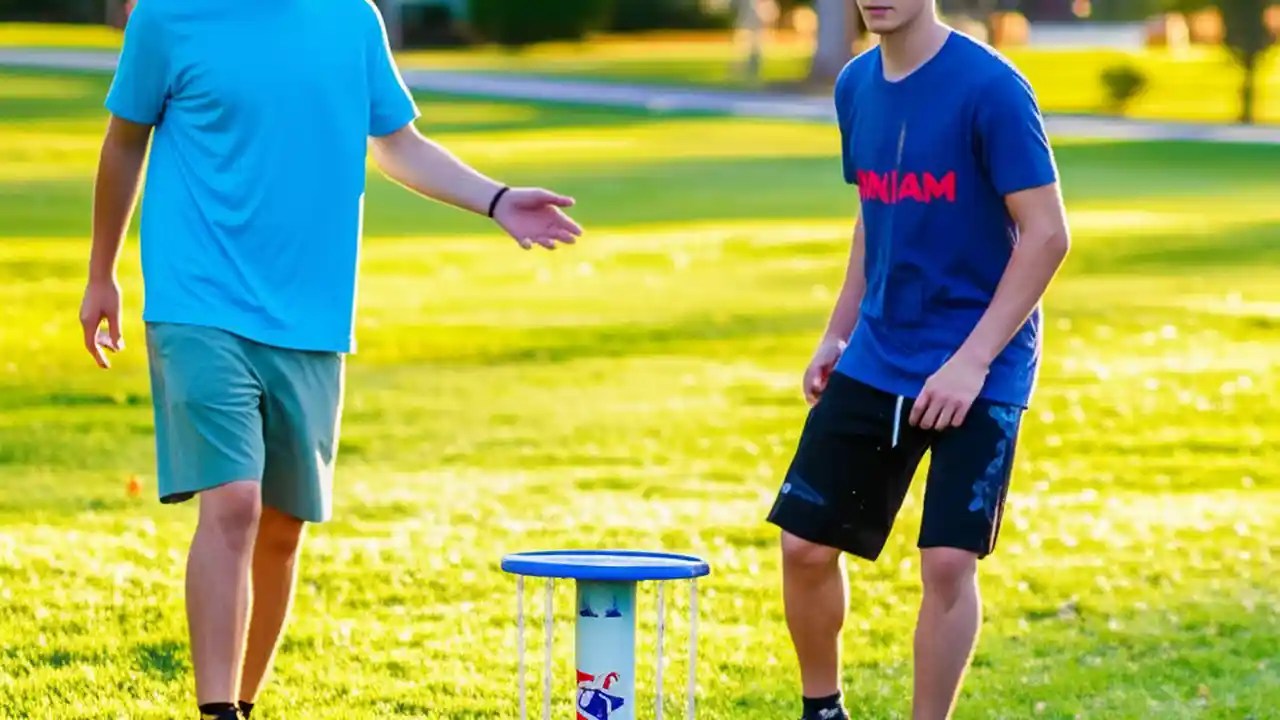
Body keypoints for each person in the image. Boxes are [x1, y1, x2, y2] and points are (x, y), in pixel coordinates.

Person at [78, 1, 582, 718]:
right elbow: (123, 141)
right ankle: (215, 709)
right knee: (235, 503)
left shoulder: (350, 18)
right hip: (197, 297)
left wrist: (496, 200)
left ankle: (243, 704)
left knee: (283, 526)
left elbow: (399, 144)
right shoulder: (167, 17)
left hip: (311, 311)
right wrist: (103, 273)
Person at [765, 2, 1071, 718]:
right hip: (880, 347)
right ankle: (823, 710)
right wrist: (837, 332)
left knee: (946, 562)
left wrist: (969, 363)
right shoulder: (855, 87)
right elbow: (875, 219)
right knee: (804, 548)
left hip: (985, 357)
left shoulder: (991, 88)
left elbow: (1048, 234)